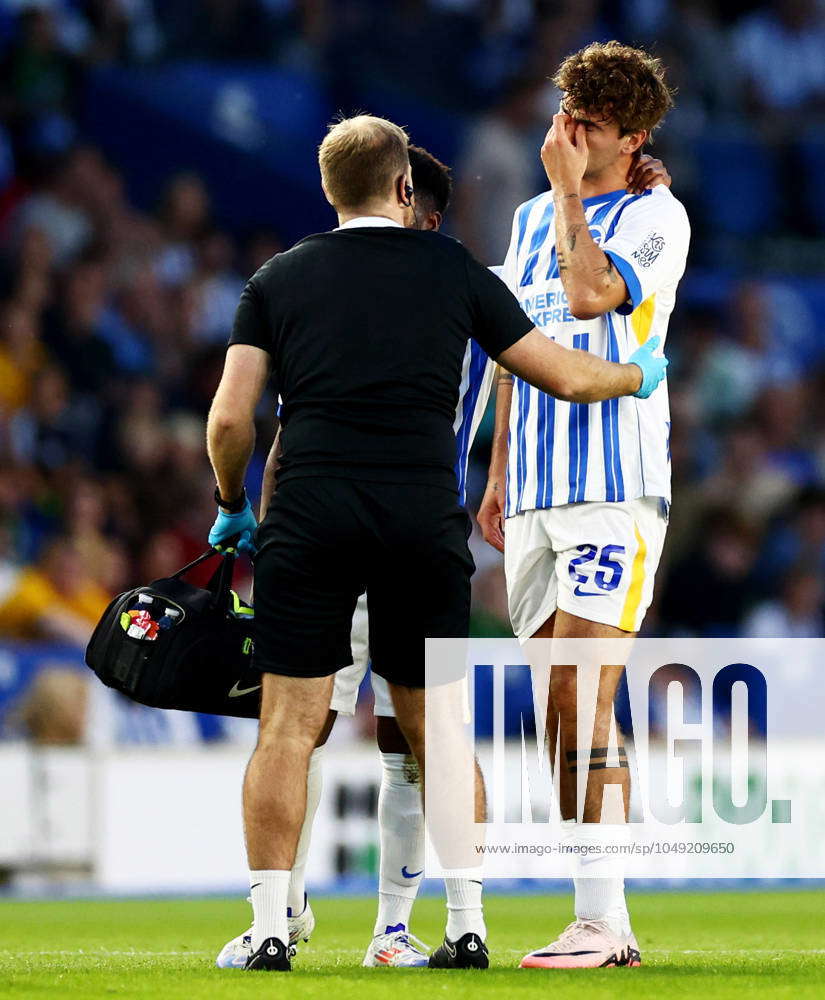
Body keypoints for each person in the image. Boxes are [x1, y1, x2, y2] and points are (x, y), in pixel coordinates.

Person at [206, 113, 667, 973]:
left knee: (286, 729)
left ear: (328, 192)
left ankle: (271, 928)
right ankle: (464, 925)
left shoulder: (276, 278)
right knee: (438, 731)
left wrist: (232, 503)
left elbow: (232, 416)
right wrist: (636, 374)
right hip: (419, 520)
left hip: (308, 516)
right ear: (406, 188)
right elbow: (562, 373)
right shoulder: (452, 269)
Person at [476, 41, 690, 970]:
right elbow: (517, 344)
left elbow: (590, 293)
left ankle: (599, 920)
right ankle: (606, 922)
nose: (564, 135)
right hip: (531, 493)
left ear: (632, 137)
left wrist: (570, 194)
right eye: (563, 115)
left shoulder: (656, 213)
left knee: (576, 690)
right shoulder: (524, 218)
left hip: (613, 487)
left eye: (588, 126)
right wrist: (494, 472)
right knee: (558, 710)